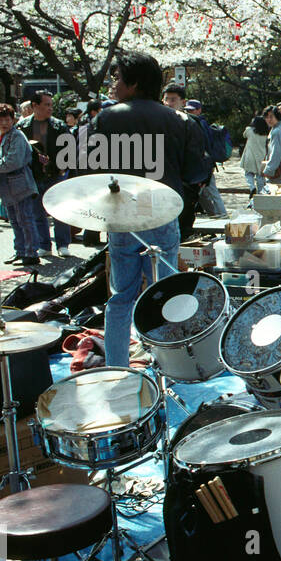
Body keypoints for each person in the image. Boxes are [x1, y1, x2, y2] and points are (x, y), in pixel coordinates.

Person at [93, 51, 202, 368]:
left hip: (122, 214)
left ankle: (116, 366)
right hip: (162, 210)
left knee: (121, 296)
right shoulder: (176, 119)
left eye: (118, 78)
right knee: (166, 295)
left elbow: (90, 169)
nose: (115, 84)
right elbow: (195, 171)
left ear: (134, 82)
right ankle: (170, 365)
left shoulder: (108, 117)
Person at [0, 103, 40, 266]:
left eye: (7, 119)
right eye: (0, 120)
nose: (4, 123)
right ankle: (20, 251)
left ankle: (31, 253)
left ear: (13, 120)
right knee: (14, 220)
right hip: (6, 185)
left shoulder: (17, 136)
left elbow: (12, 161)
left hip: (21, 184)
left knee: (25, 219)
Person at [17, 90, 73, 256]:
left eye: (51, 105)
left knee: (59, 211)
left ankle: (63, 244)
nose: (50, 108)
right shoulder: (22, 126)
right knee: (37, 211)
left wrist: (63, 167)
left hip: (55, 173)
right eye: (46, 104)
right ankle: (44, 245)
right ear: (35, 106)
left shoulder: (59, 125)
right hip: (33, 174)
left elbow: (69, 148)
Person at [160, 83, 211, 236]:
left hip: (185, 184)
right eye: (166, 99)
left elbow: (201, 152)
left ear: (183, 102)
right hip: (162, 181)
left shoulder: (191, 122)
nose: (169, 103)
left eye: (173, 99)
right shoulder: (157, 122)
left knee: (183, 228)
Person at [185, 99, 227, 216]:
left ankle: (223, 216)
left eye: (192, 110)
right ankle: (215, 216)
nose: (189, 112)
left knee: (212, 192)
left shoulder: (199, 124)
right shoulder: (197, 123)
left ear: (199, 110)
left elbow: (205, 146)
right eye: (187, 110)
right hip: (203, 165)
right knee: (203, 195)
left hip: (205, 165)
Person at [241, 115, 270, 194]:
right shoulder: (266, 133)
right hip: (261, 156)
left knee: (248, 174)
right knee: (260, 175)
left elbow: (244, 135)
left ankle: (252, 187)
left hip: (250, 156)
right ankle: (260, 192)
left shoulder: (249, 130)